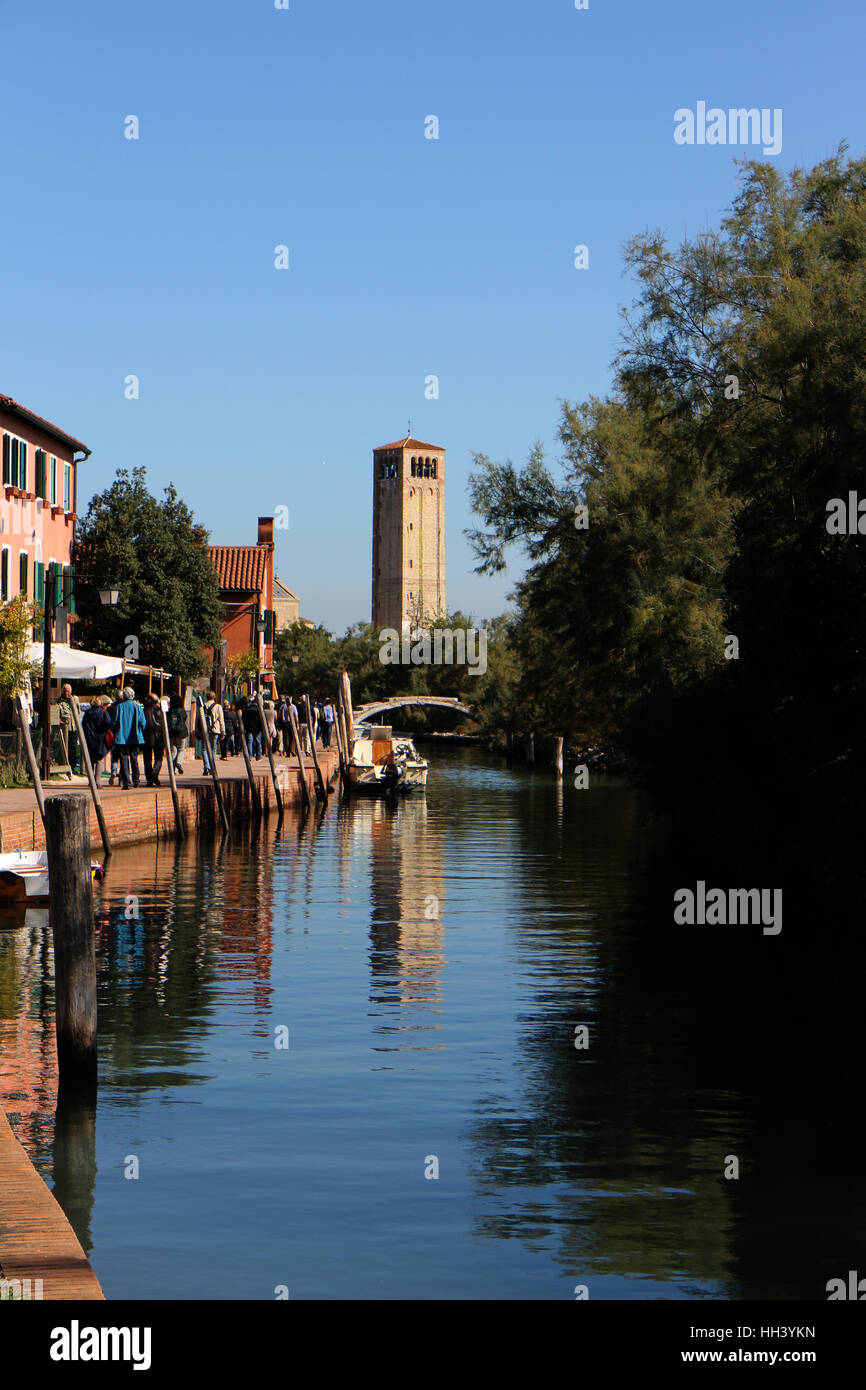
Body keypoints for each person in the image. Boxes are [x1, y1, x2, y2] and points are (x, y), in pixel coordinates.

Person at [110, 688, 146, 789]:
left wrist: (115, 731)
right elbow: (143, 723)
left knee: (123, 760)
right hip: (134, 738)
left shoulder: (119, 707)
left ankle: (126, 782)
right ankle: (136, 780)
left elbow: (114, 722)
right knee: (134, 759)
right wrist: (139, 732)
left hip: (121, 738)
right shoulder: (137, 707)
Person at [81, 695, 112, 781]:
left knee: (90, 760)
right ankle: (97, 781)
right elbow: (109, 723)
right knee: (99, 760)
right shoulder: (103, 712)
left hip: (89, 738)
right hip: (100, 738)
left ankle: (90, 781)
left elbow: (83, 725)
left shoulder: (87, 713)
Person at [142, 694, 165, 786]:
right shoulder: (159, 710)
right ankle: (154, 774)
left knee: (147, 758)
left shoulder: (143, 710)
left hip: (147, 736)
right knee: (158, 757)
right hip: (158, 736)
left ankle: (149, 778)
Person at [57, 683, 80, 773]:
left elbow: (78, 712)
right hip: (65, 728)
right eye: (65, 691)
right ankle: (65, 765)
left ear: (70, 691)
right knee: (65, 746)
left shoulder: (75, 699)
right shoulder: (59, 701)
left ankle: (73, 766)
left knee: (73, 746)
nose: (66, 693)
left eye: (68, 691)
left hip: (74, 726)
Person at [201, 691, 225, 774]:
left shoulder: (202, 706)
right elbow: (221, 720)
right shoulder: (218, 706)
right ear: (214, 697)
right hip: (215, 730)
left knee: (204, 749)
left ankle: (206, 767)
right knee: (213, 749)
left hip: (204, 730)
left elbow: (198, 719)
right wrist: (223, 731)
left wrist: (197, 730)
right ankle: (212, 767)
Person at [167, 694, 189, 774]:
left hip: (171, 733)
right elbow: (185, 718)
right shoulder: (182, 710)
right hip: (181, 733)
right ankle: (178, 763)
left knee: (173, 750)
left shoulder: (169, 711)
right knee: (181, 749)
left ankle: (172, 769)